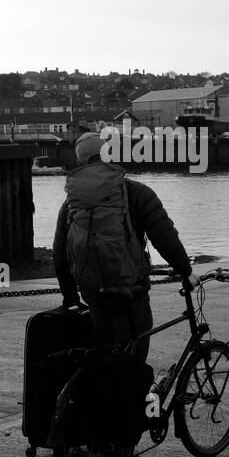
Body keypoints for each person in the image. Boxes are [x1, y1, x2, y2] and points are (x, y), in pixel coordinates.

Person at [54, 132, 200, 363]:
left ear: (80, 162)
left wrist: (70, 297)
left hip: (94, 296)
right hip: (131, 296)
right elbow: (164, 237)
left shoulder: (72, 203)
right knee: (133, 366)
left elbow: (61, 255)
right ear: (108, 154)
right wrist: (185, 270)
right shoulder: (136, 192)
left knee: (101, 360)